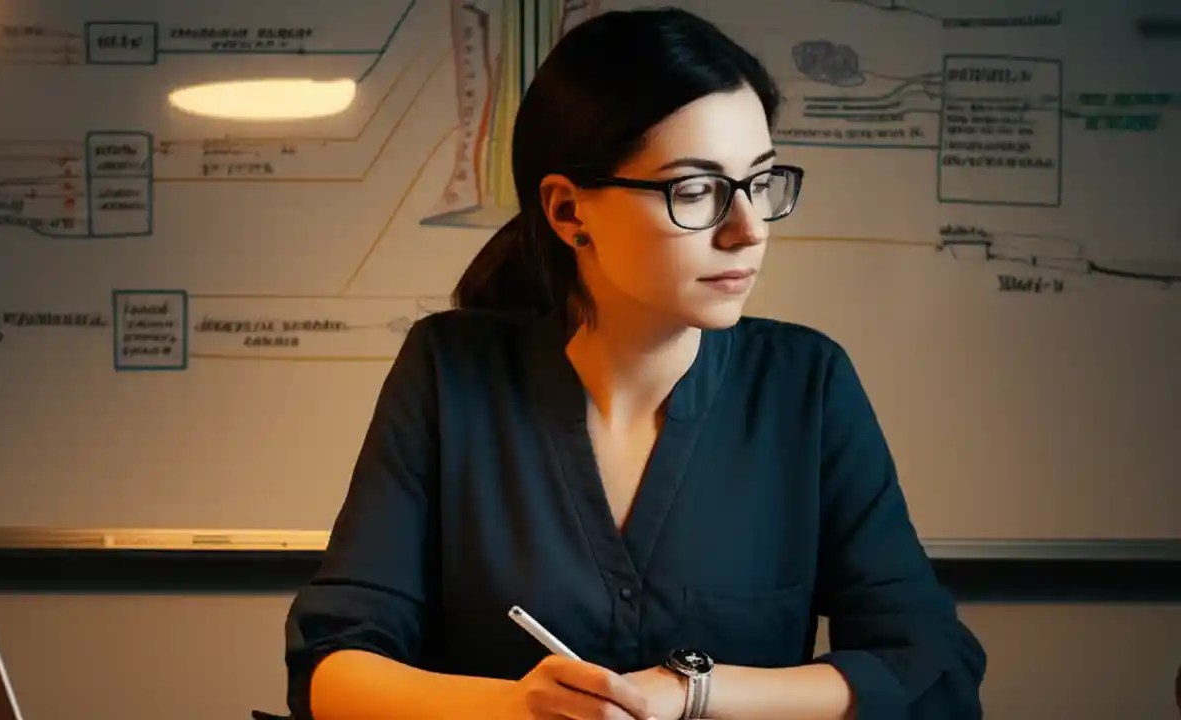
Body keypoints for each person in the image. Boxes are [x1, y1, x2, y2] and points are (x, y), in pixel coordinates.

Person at [285, 7, 986, 720]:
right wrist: (519, 708)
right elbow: (333, 668)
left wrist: (691, 693)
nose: (747, 231)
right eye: (696, 190)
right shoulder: (449, 374)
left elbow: (931, 667)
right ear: (568, 213)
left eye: (761, 183)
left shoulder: (806, 385)